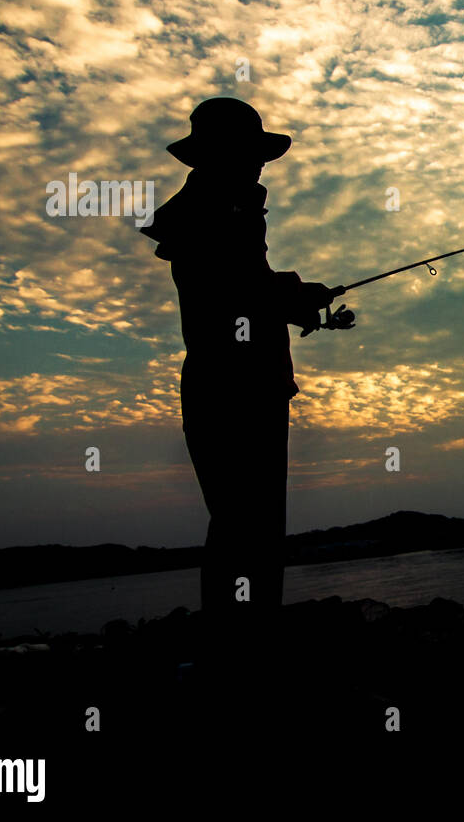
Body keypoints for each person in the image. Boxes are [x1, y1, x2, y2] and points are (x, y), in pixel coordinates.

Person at [141, 97, 353, 674]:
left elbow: (243, 292)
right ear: (222, 156)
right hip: (238, 391)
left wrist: (291, 297)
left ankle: (240, 651)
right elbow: (239, 294)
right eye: (252, 155)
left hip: (232, 385)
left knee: (244, 527)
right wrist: (297, 296)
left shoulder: (215, 211)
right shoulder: (215, 214)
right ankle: (243, 660)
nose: (261, 167)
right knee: (248, 529)